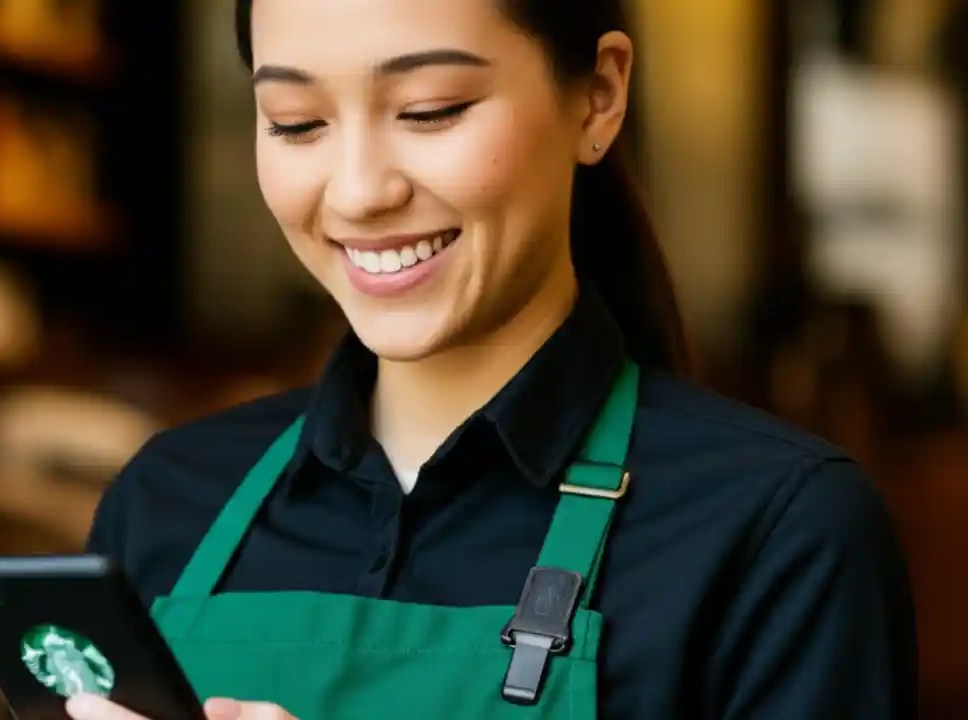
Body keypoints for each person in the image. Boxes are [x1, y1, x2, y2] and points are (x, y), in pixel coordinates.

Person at [67, 0, 917, 718]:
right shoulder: (164, 502)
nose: (360, 191)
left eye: (430, 109)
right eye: (298, 123)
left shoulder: (778, 534)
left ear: (598, 96)